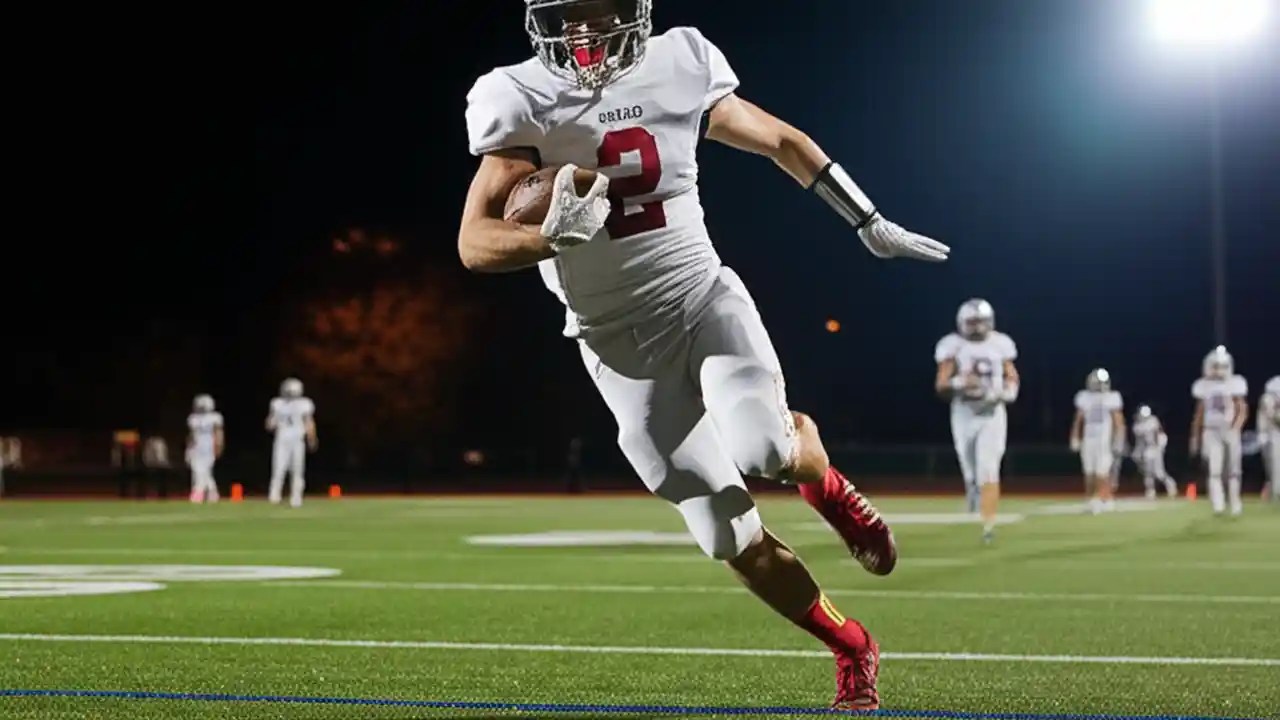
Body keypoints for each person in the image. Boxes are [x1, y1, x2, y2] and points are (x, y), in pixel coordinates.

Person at [458, 0, 951, 709]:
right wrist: (549, 238)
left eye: (596, 14)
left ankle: (828, 485)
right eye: (566, 17)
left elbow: (779, 139)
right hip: (614, 344)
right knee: (726, 532)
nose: (582, 34)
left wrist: (866, 219)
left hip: (699, 299)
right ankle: (852, 646)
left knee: (762, 448)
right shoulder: (519, 96)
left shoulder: (678, 62)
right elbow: (474, 244)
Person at [933, 298, 1019, 543]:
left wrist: (1008, 392)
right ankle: (973, 495)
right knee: (970, 471)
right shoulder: (953, 346)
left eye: (980, 322)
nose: (977, 328)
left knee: (988, 468)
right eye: (971, 323)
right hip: (964, 414)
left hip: (992, 414)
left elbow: (1012, 376)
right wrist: (960, 384)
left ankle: (988, 524)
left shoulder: (1000, 344)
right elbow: (941, 384)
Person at [1191, 346, 1248, 516]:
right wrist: (1195, 436)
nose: (1218, 370)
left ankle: (1235, 502)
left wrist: (1236, 427)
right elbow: (1199, 414)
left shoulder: (1235, 383)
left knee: (1233, 470)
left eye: (1222, 366)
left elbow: (1242, 408)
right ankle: (1218, 504)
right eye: (1215, 366)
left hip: (1228, 429)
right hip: (1211, 431)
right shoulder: (1204, 386)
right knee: (1214, 469)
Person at [1070, 369, 1124, 514]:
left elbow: (1118, 420)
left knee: (1102, 472)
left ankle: (1105, 498)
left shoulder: (1112, 397)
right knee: (1089, 471)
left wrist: (1119, 439)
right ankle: (1091, 500)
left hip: (1104, 440)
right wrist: (1075, 436)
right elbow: (1079, 419)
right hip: (1089, 440)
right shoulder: (1084, 397)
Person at [267, 377, 317, 507]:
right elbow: (309, 423)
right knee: (283, 468)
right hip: (287, 439)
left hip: (289, 439)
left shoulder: (279, 403)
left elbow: (270, 425)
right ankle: (286, 497)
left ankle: (282, 496)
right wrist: (312, 438)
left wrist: (311, 438)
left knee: (290, 469)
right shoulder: (280, 403)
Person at [1131, 405, 1176, 499]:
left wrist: (1160, 447)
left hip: (1155, 448)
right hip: (1146, 449)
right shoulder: (1137, 425)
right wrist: (1137, 452)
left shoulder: (1153, 421)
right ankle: (1150, 491)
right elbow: (1139, 441)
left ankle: (1171, 486)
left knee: (1159, 472)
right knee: (1148, 472)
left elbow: (1159, 434)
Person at [186, 394, 224, 503]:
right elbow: (191, 435)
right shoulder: (193, 419)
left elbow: (218, 433)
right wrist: (189, 448)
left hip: (208, 445)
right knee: (201, 470)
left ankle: (198, 492)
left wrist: (218, 446)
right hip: (197, 446)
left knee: (202, 470)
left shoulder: (215, 418)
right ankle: (212, 492)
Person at [1259, 376, 1280, 501]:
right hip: (1273, 431)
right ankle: (1275, 493)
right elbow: (1268, 410)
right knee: (1274, 465)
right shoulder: (1274, 384)